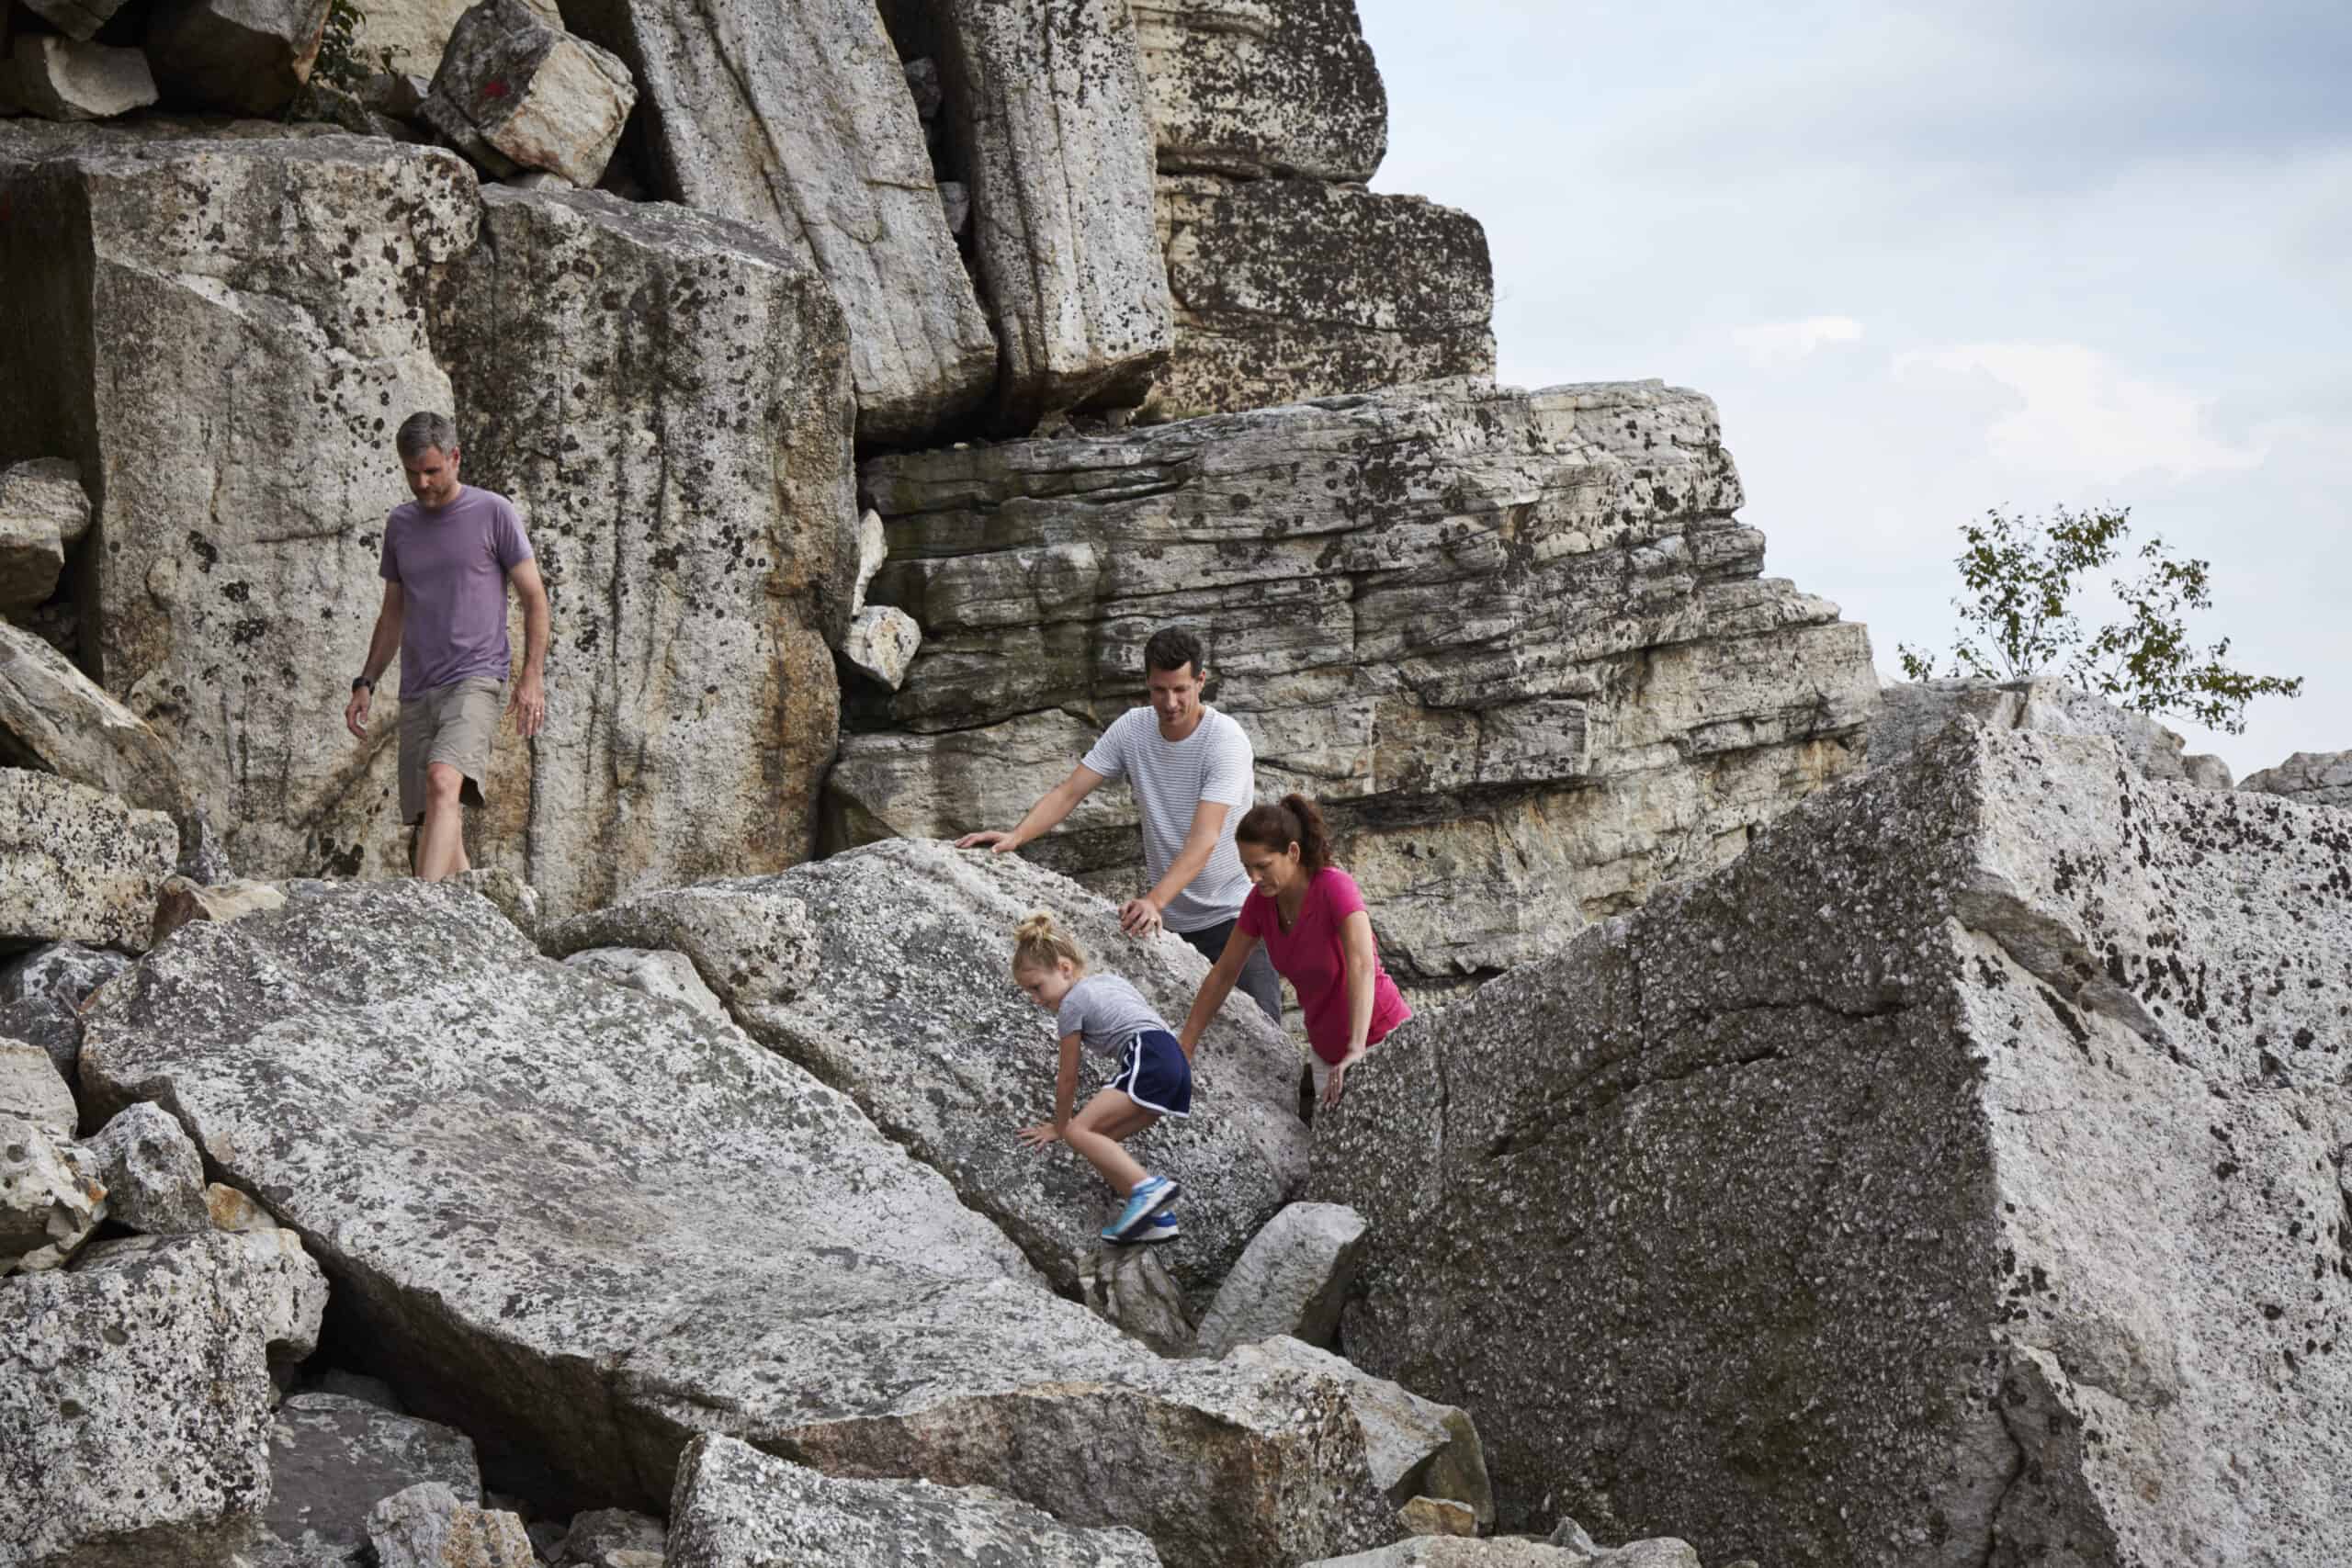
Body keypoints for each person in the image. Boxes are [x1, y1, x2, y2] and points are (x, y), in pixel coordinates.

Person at [956, 626, 1282, 1023]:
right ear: (1147, 683)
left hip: (1235, 917)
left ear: (1200, 681)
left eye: (1181, 689)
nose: (1171, 702)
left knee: (1266, 1033)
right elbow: (1069, 792)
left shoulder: (1225, 741)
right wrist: (1017, 836)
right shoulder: (1133, 729)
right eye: (1159, 690)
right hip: (1167, 927)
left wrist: (1153, 900)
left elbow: (1206, 836)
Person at [343, 412, 549, 882]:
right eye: (412, 472)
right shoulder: (400, 526)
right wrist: (365, 682)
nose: (422, 482)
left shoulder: (493, 513)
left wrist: (531, 678)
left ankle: (420, 910)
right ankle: (474, 918)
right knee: (438, 818)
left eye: (432, 470)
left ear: (455, 458)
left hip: (476, 677)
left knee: (443, 781)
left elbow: (535, 598)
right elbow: (393, 612)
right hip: (418, 687)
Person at [1177, 794, 1410, 1116]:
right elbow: (1224, 973)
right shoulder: (1259, 904)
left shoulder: (1335, 887)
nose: (1253, 878)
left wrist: (1357, 1049)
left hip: (1381, 1039)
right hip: (1325, 1054)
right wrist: (1185, 1043)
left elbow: (1362, 965)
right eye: (1247, 867)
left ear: (1293, 852)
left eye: (1262, 866)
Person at [1010, 911, 1189, 1245]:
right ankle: (1156, 1219)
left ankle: (1148, 1188)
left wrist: (1059, 1126)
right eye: (1028, 993)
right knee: (1094, 1139)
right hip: (1174, 1061)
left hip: (1148, 1054)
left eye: (1037, 987)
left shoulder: (1071, 1005)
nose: (1036, 999)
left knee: (1076, 1131)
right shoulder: (1110, 982)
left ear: (1064, 968)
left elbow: (1068, 1076)